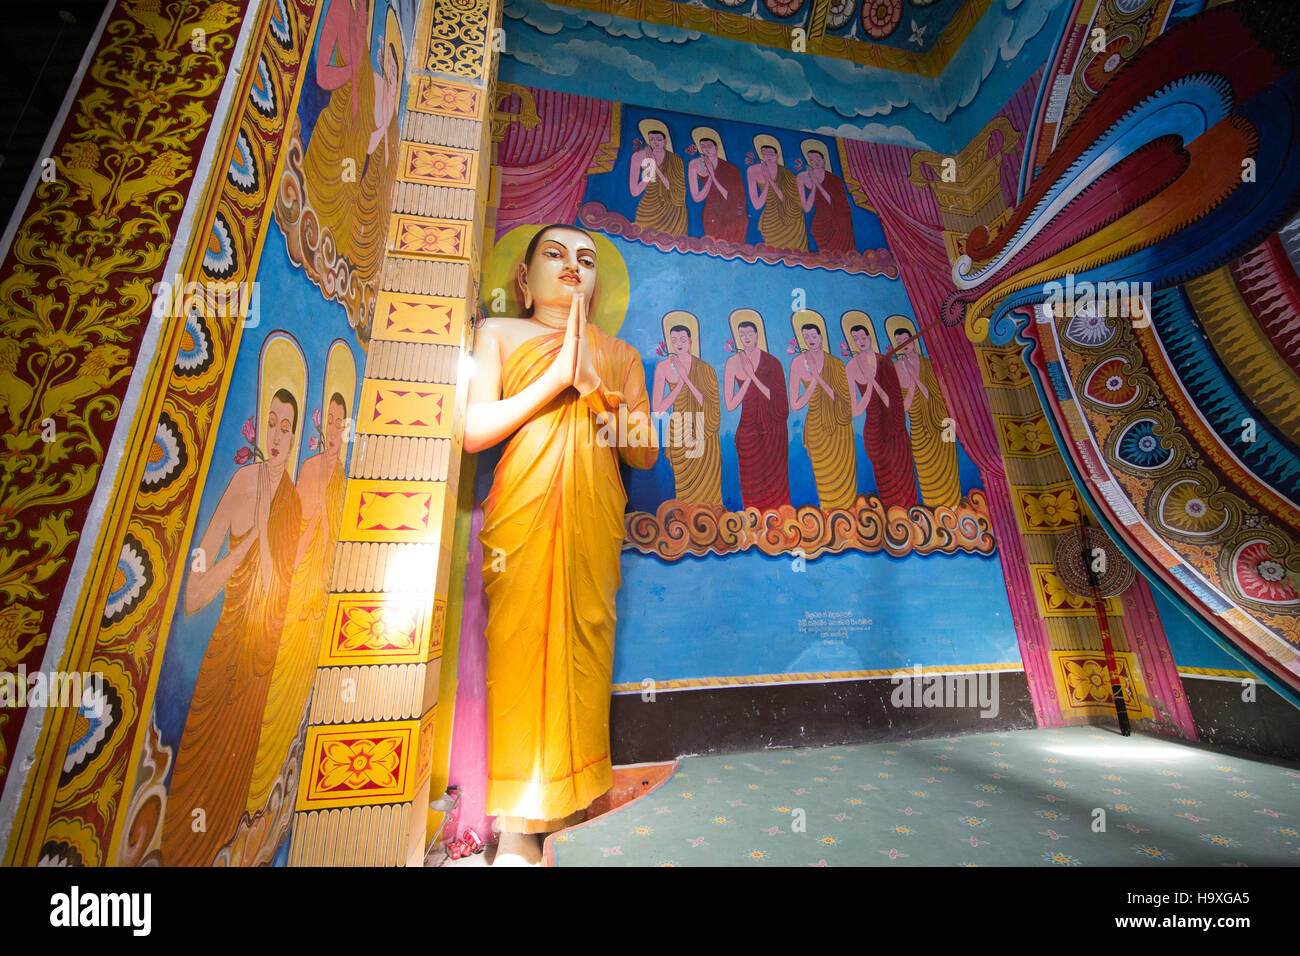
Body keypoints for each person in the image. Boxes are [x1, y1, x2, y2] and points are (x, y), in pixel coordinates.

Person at [465, 224, 657, 865]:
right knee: (520, 648)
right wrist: (554, 381)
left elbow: (645, 449)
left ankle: (576, 810)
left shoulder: (620, 353)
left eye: (586, 259)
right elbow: (472, 430)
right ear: (523, 278)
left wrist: (595, 388)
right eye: (555, 254)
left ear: (599, 282)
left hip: (592, 520)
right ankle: (518, 830)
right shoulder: (499, 335)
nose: (572, 266)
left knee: (586, 640)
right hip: (522, 515)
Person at [161, 389, 302, 865]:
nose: (278, 436)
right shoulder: (242, 482)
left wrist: (264, 536)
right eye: (273, 422)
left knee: (230, 801)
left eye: (288, 427)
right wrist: (238, 552)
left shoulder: (293, 506)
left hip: (258, 669)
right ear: (262, 427)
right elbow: (195, 593)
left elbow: (281, 593)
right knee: (195, 783)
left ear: (296, 435)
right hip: (224, 655)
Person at [845, 323, 916, 510]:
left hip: (894, 429)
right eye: (855, 338)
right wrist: (868, 386)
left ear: (871, 337)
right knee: (884, 480)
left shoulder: (885, 362)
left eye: (863, 337)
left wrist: (874, 383)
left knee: (903, 476)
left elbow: (894, 404)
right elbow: (856, 410)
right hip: (873, 432)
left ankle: (910, 518)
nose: (860, 341)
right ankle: (893, 519)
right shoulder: (851, 367)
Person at [651, 321, 723, 506]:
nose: (679, 343)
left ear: (691, 340)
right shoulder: (663, 367)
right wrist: (680, 384)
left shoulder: (706, 369)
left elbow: (712, 408)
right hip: (679, 433)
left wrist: (686, 378)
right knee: (683, 490)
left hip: (704, 434)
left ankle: (711, 528)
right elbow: (658, 410)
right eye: (674, 340)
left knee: (708, 491)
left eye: (683, 339)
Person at [723, 315, 789, 510]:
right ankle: (755, 524)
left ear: (758, 335)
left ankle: (780, 523)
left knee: (776, 481)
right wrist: (747, 381)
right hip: (748, 430)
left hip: (773, 431)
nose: (746, 337)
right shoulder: (733, 363)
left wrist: (752, 375)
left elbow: (779, 401)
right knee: (750, 482)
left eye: (750, 333)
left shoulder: (773, 363)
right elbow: (730, 404)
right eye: (742, 334)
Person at [789, 319, 856, 510]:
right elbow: (795, 404)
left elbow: (845, 403)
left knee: (842, 475)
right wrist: (812, 386)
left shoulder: (835, 363)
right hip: (816, 427)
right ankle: (829, 514)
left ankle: (848, 518)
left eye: (813, 335)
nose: (810, 339)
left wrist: (818, 377)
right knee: (824, 477)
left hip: (839, 428)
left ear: (821, 336)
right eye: (806, 336)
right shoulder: (797, 363)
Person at [892, 325, 960, 508]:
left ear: (913, 341)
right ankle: (933, 511)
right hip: (919, 428)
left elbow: (936, 397)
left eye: (905, 340)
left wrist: (914, 376)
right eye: (898, 342)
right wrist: (909, 378)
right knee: (926, 470)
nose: (902, 344)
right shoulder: (898, 368)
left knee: (947, 466)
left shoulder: (929, 365)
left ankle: (952, 508)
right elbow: (904, 406)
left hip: (941, 424)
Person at [747, 135, 807, 251]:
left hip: (791, 221)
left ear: (777, 155)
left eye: (771, 154)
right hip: (771, 221)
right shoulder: (752, 171)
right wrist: (767, 183)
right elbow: (757, 205)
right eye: (764, 153)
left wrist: (770, 180)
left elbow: (795, 204)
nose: (767, 157)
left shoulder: (788, 174)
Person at [688, 129, 747, 244]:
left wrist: (713, 176)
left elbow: (737, 200)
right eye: (703, 146)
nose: (706, 149)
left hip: (732, 214)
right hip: (712, 215)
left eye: (709, 146)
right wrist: (710, 176)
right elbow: (697, 198)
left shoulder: (731, 169)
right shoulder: (694, 165)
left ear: (717, 148)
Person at [629, 120, 687, 236]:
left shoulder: (676, 160)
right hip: (649, 207)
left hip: (673, 212)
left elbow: (678, 192)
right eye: (652, 139)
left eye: (659, 139)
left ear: (665, 141)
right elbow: (635, 191)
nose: (655, 143)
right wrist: (649, 169)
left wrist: (656, 167)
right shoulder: (639, 156)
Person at [797, 142, 854, 254]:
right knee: (825, 257)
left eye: (818, 158)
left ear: (824, 159)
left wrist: (817, 184)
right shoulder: (802, 177)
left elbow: (837, 204)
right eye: (811, 160)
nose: (816, 162)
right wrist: (813, 184)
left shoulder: (835, 179)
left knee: (840, 257)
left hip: (839, 222)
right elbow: (807, 208)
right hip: (820, 223)